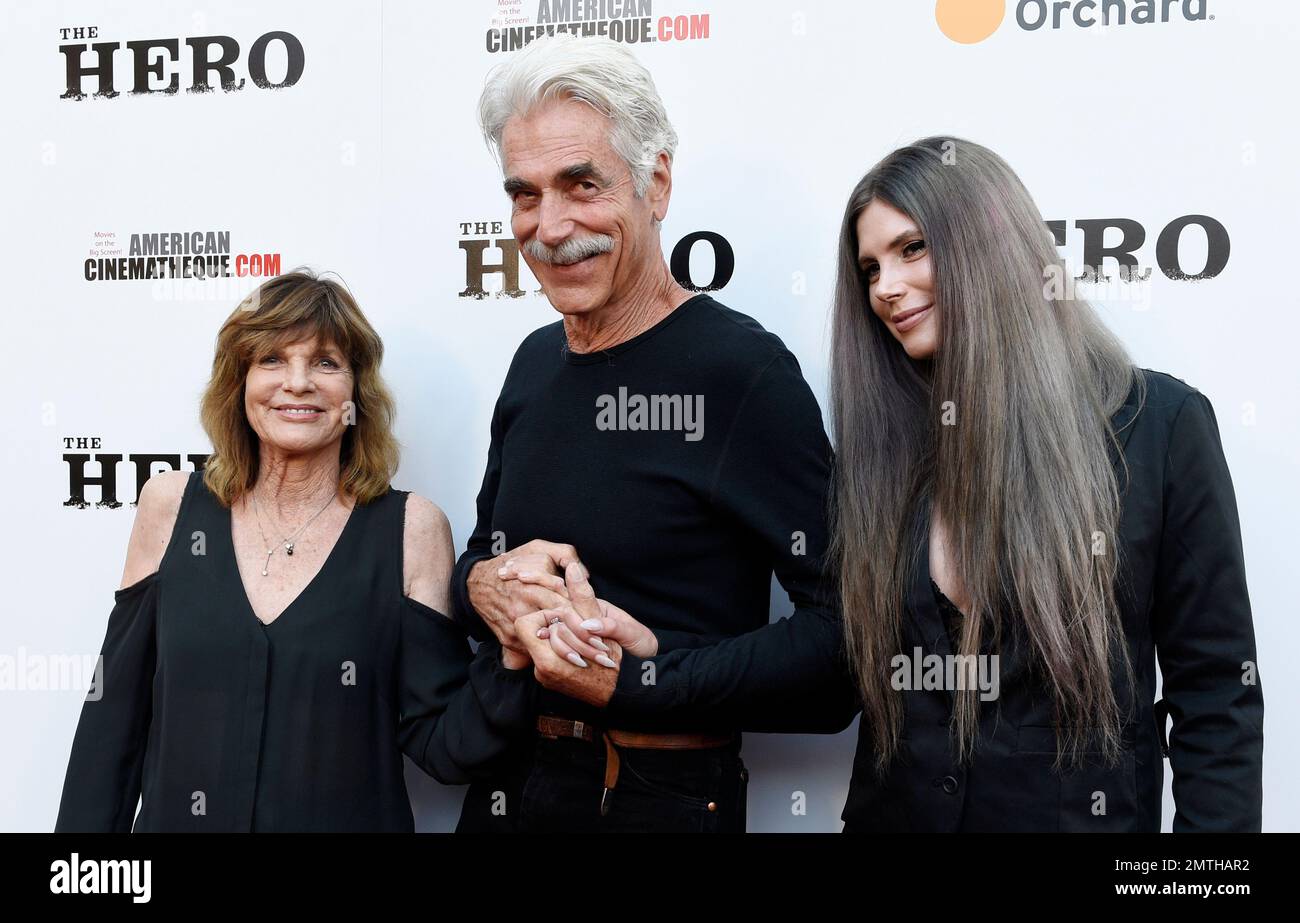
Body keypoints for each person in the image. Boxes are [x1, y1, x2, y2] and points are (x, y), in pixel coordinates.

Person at [531, 136, 1265, 832]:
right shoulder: (885, 449)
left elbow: (1217, 696)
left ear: (993, 243)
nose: (887, 286)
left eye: (912, 248)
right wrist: (662, 655)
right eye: (871, 267)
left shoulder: (1160, 426)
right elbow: (838, 660)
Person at [450, 34, 854, 833]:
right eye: (525, 194)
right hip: (510, 788)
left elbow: (843, 651)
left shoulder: (741, 371)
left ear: (656, 182)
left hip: (657, 798)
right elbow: (483, 555)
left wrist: (640, 682)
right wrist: (480, 587)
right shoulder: (534, 361)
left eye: (582, 184)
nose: (551, 225)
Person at [55, 270, 536, 832]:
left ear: (356, 390)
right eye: (273, 360)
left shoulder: (412, 531)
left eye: (327, 363)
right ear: (239, 383)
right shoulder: (169, 508)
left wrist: (513, 657)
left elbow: (442, 742)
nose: (299, 383)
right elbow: (112, 728)